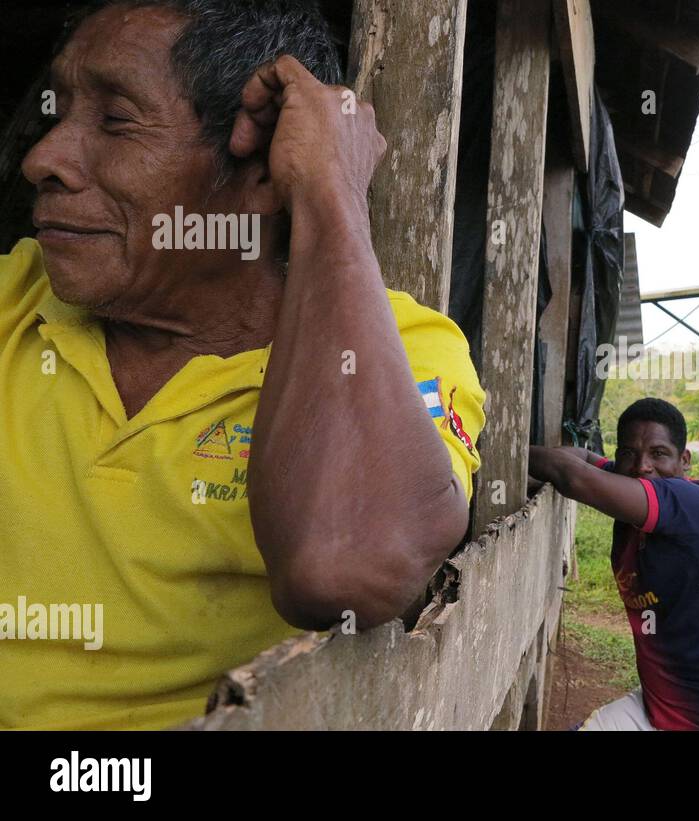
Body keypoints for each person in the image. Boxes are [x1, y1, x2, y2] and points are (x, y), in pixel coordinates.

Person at [0, 0, 485, 729]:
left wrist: (331, 190)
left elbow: (342, 566)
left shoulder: (406, 348)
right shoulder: (18, 293)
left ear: (260, 170)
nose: (44, 157)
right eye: (59, 112)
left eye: (115, 119)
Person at [528, 398, 699, 730]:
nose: (642, 466)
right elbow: (580, 458)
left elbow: (573, 476)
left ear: (684, 460)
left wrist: (494, 451)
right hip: (662, 707)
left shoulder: (691, 503)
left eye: (658, 454)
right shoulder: (631, 483)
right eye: (629, 454)